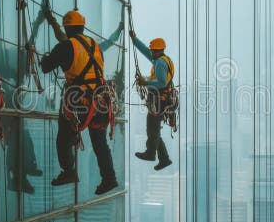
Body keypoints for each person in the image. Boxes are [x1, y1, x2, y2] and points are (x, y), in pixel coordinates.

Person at [40, 10, 119, 195]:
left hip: (80, 102)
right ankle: (109, 178)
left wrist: (45, 57)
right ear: (82, 27)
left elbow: (46, 67)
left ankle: (68, 171)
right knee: (99, 143)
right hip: (100, 101)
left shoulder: (66, 46)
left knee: (63, 138)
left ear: (67, 29)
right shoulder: (94, 46)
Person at [129, 30, 175, 171]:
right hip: (162, 100)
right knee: (154, 130)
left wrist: (145, 82)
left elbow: (161, 82)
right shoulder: (162, 59)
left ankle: (150, 153)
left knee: (152, 129)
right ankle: (164, 159)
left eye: (153, 51)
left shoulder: (160, 62)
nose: (151, 53)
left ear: (158, 50)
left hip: (159, 101)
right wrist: (135, 40)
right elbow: (145, 52)